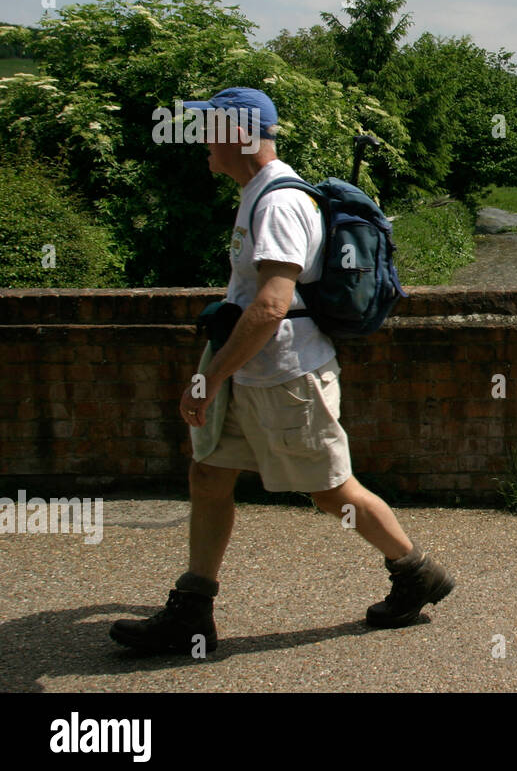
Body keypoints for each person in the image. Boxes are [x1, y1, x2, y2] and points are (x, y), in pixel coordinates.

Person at [110, 87, 454, 655]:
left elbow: (271, 304)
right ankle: (192, 613)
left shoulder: (278, 202)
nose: (199, 140)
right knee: (209, 475)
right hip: (255, 370)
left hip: (287, 377)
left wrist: (211, 376)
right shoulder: (256, 193)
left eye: (207, 128)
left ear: (236, 134)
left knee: (331, 492)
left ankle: (415, 572)